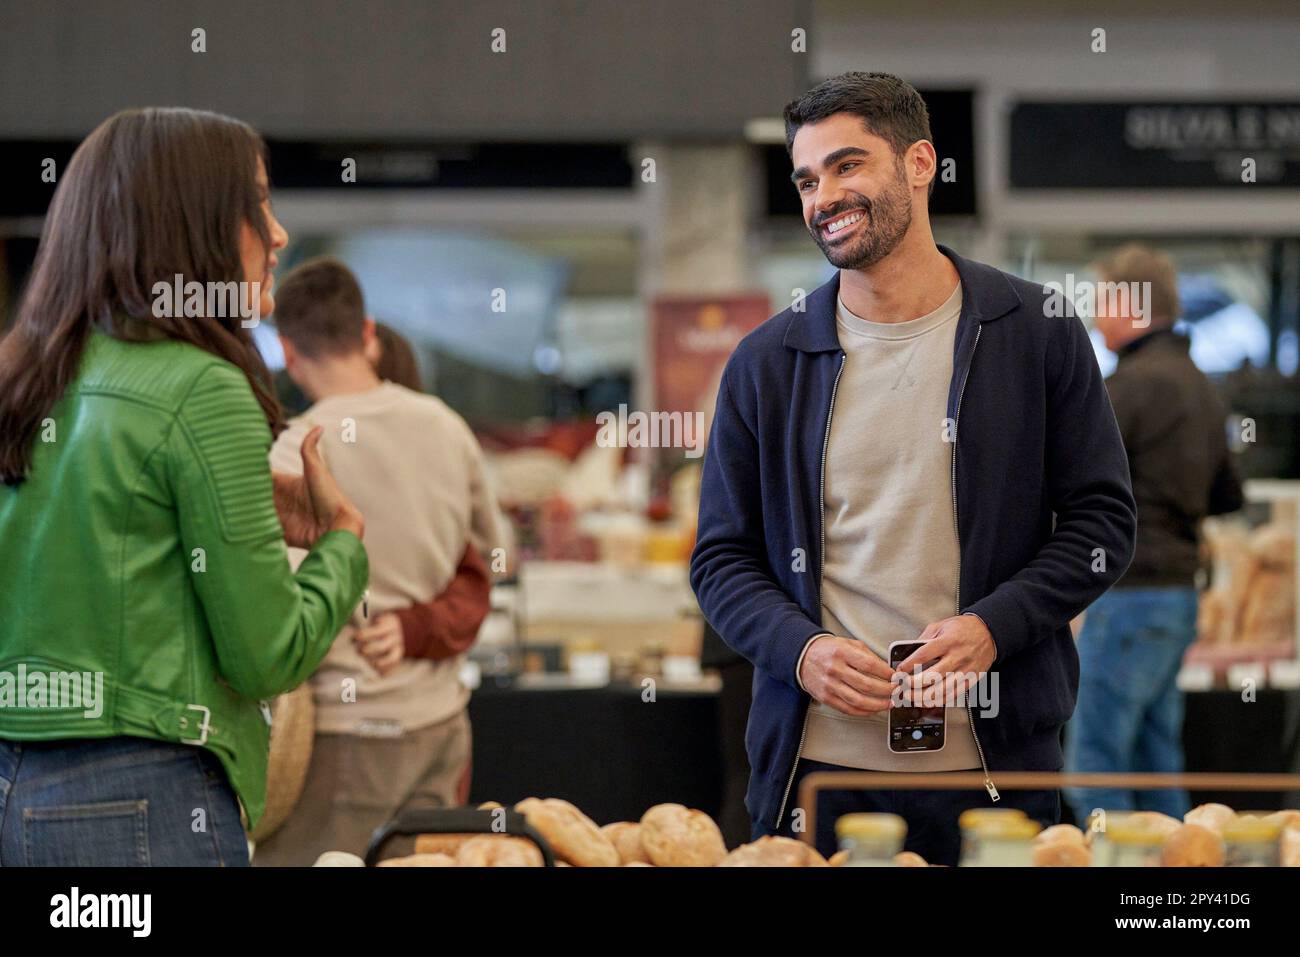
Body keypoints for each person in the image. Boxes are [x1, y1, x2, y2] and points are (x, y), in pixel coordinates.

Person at [689, 72, 1138, 865]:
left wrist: (994, 627)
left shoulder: (1036, 334)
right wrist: (800, 649)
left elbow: (1103, 525)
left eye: (848, 166)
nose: (823, 195)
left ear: (920, 163)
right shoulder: (768, 361)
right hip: (817, 776)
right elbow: (722, 558)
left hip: (993, 774)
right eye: (807, 178)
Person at [0, 108, 368, 866]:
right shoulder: (202, 387)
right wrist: (342, 546)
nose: (279, 234)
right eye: (257, 202)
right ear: (190, 221)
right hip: (147, 797)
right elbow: (267, 654)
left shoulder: (24, 378)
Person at [251, 257, 506, 865]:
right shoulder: (445, 425)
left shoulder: (295, 449)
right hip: (442, 725)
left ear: (287, 350)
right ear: (367, 332)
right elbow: (495, 556)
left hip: (348, 733)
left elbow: (278, 607)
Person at [1065, 244, 1244, 822]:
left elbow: (1071, 487)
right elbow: (1228, 497)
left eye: (1100, 301)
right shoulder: (1202, 386)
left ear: (1131, 304)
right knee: (1156, 762)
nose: (1094, 316)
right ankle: (1180, 896)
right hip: (1177, 597)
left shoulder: (1127, 389)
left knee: (1095, 770)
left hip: (1127, 595)